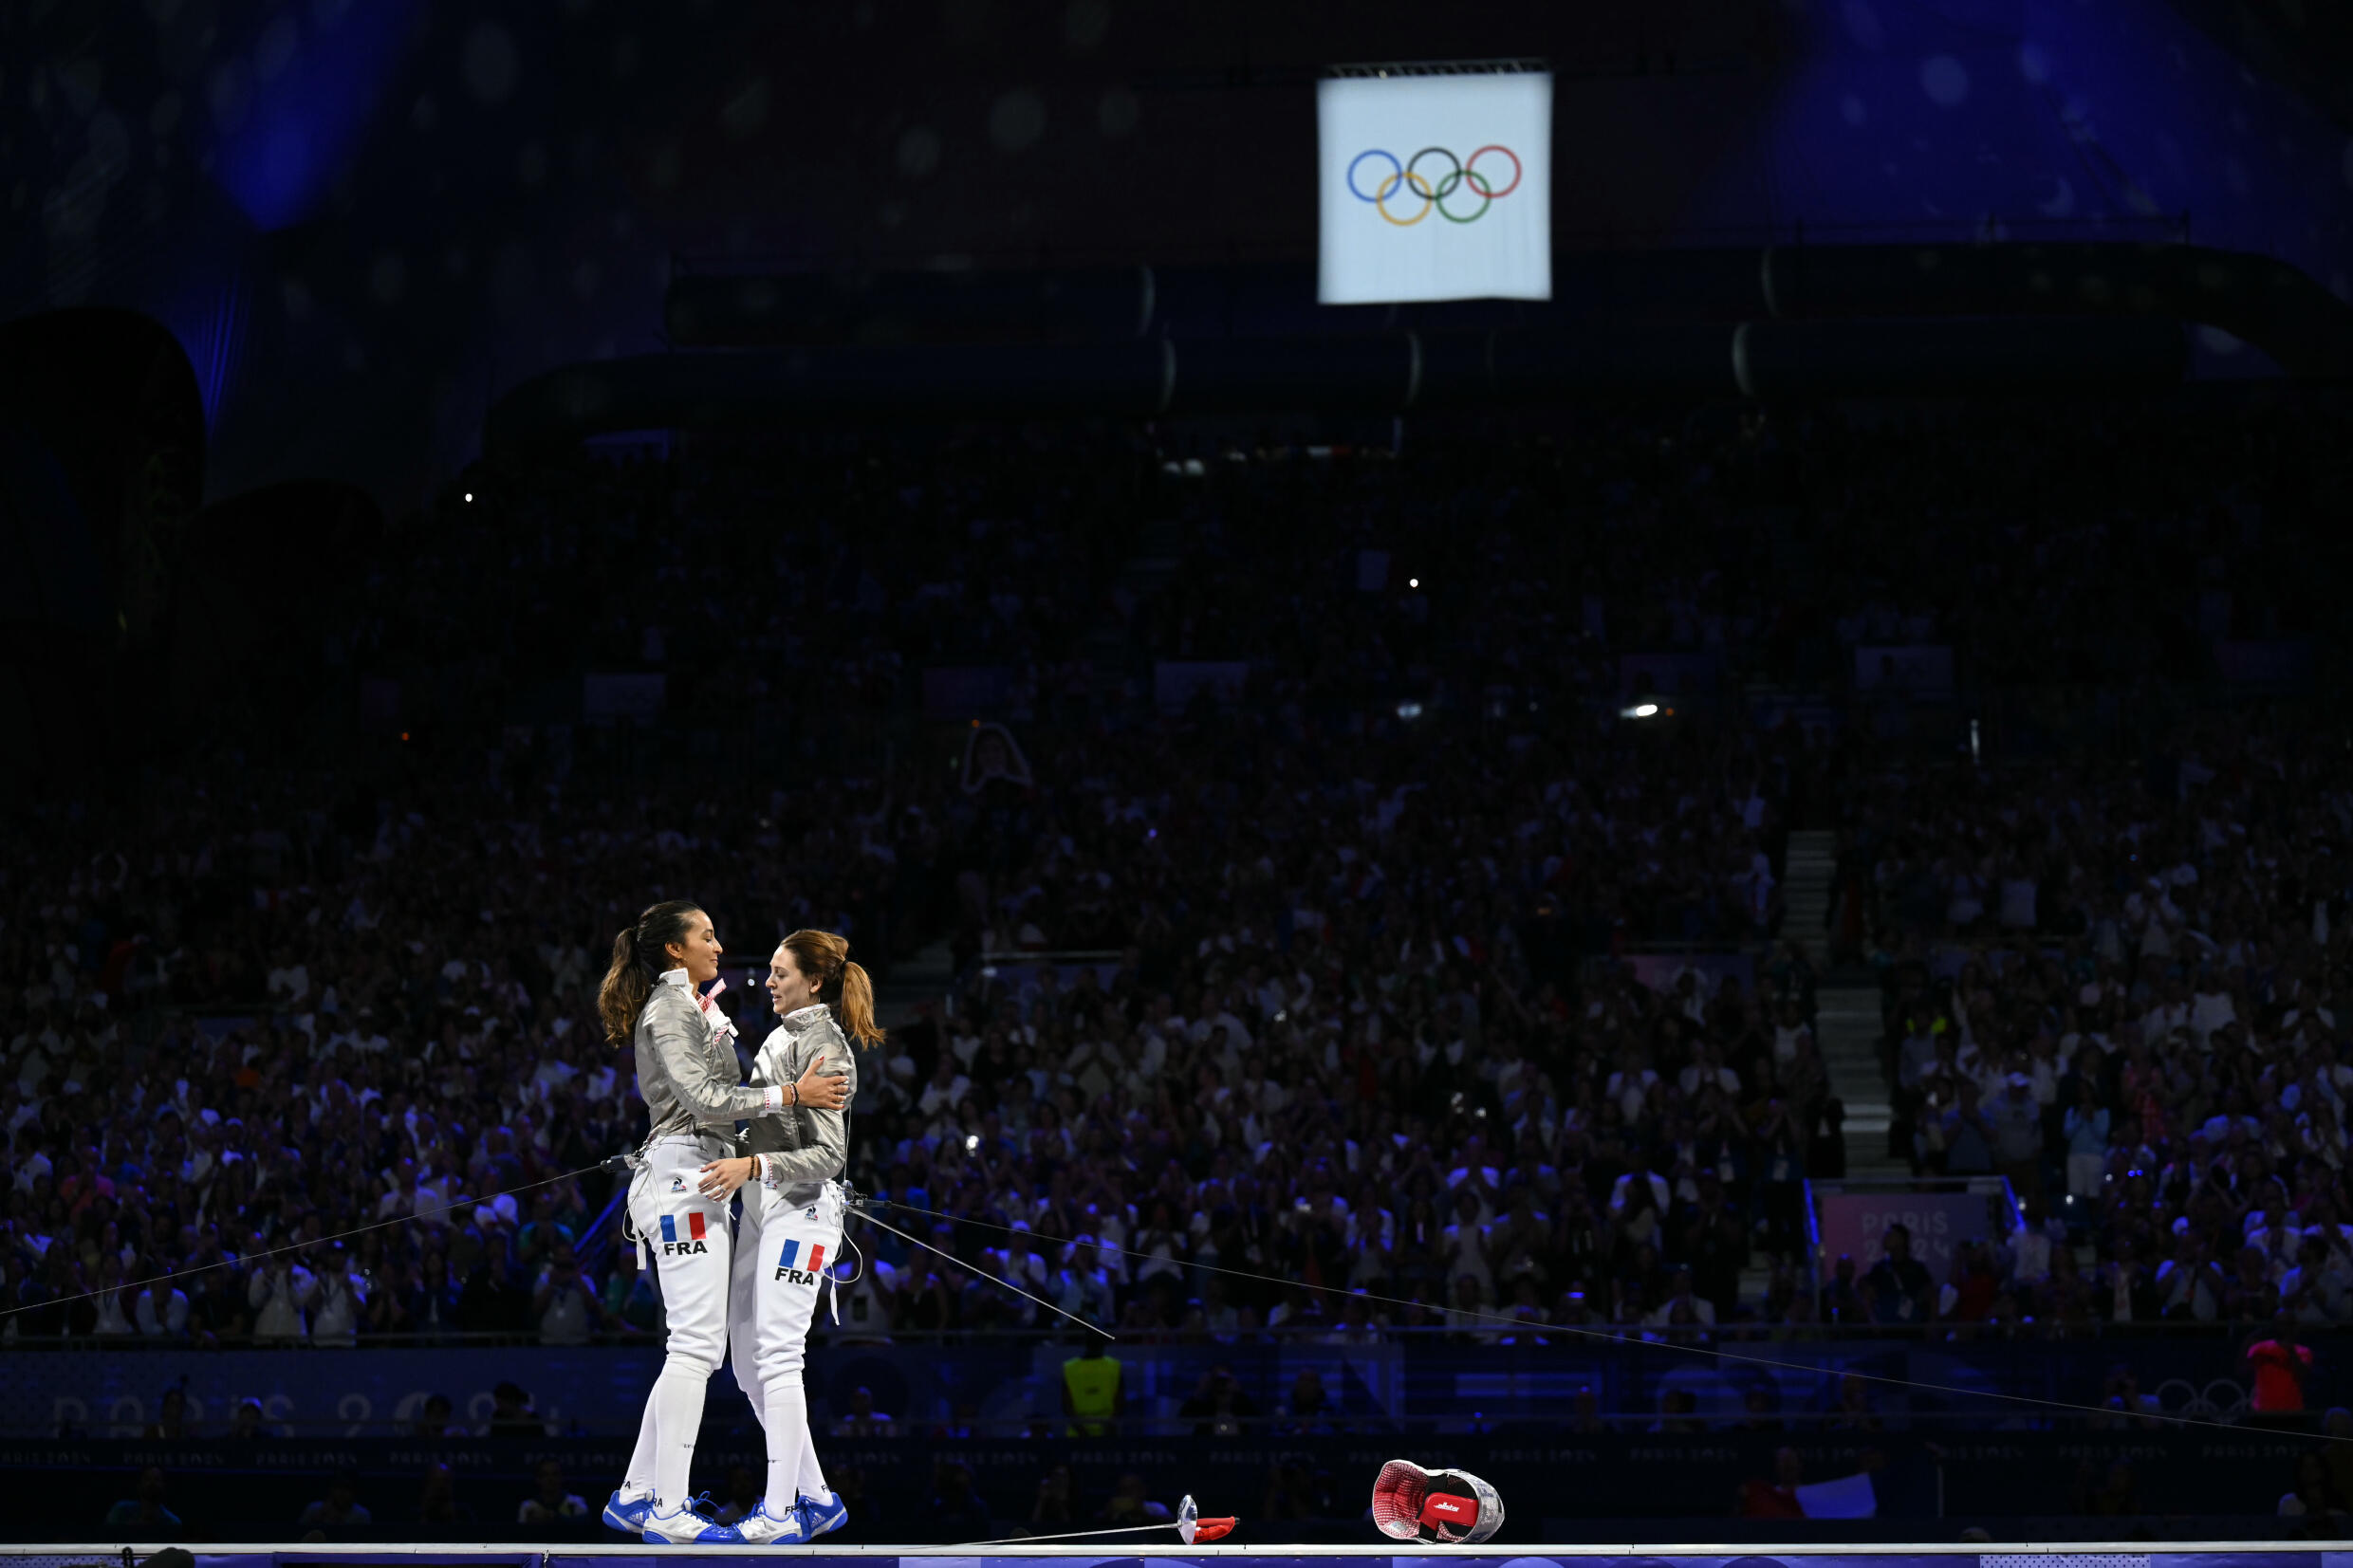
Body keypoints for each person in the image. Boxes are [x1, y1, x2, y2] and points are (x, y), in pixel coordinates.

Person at [595, 901, 845, 1544]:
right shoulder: (669, 1008)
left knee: (709, 1349)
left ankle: (636, 1493)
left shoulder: (692, 1006)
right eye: (706, 934)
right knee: (698, 1347)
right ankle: (667, 1509)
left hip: (707, 1176)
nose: (718, 942)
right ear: (675, 949)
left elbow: (723, 1104)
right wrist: (792, 1095)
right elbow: (706, 1101)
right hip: (687, 1179)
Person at [704, 929, 871, 1543]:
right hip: (762, 1210)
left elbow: (828, 1155)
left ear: (814, 980)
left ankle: (778, 1515)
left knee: (777, 1354)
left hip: (802, 1212)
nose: (769, 981)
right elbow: (765, 1130)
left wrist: (752, 1164)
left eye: (781, 972)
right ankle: (818, 1497)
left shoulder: (826, 1045)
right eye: (770, 972)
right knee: (747, 1363)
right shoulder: (778, 1038)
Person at [517, 1459, 590, 1527]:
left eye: (555, 1474)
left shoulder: (576, 1502)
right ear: (538, 1479)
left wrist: (554, 1517)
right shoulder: (528, 1507)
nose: (550, 1479)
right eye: (545, 1475)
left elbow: (586, 1526)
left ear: (561, 1477)